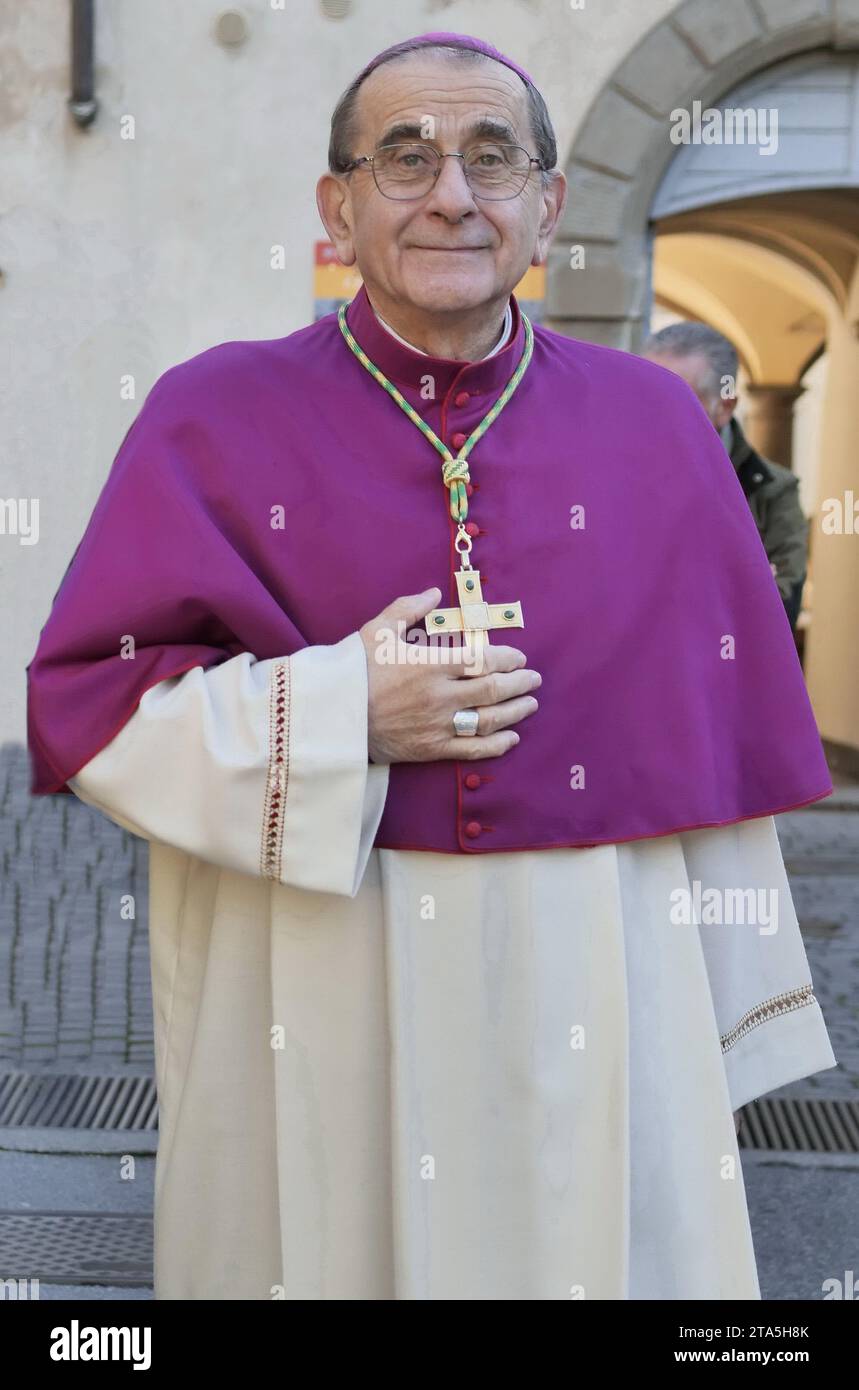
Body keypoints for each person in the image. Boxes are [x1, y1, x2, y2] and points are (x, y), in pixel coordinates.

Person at [27, 32, 836, 1301]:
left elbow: (715, 759)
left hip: (598, 999)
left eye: (491, 157)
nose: (452, 193)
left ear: (548, 206)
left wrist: (720, 1016)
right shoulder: (212, 415)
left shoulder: (654, 431)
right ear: (336, 207)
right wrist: (346, 710)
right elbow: (92, 708)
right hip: (317, 986)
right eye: (403, 158)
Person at [642, 322, 809, 631]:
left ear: (725, 406)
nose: (653, 418)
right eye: (646, 398)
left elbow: (779, 614)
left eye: (676, 402)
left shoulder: (773, 491)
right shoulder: (615, 473)